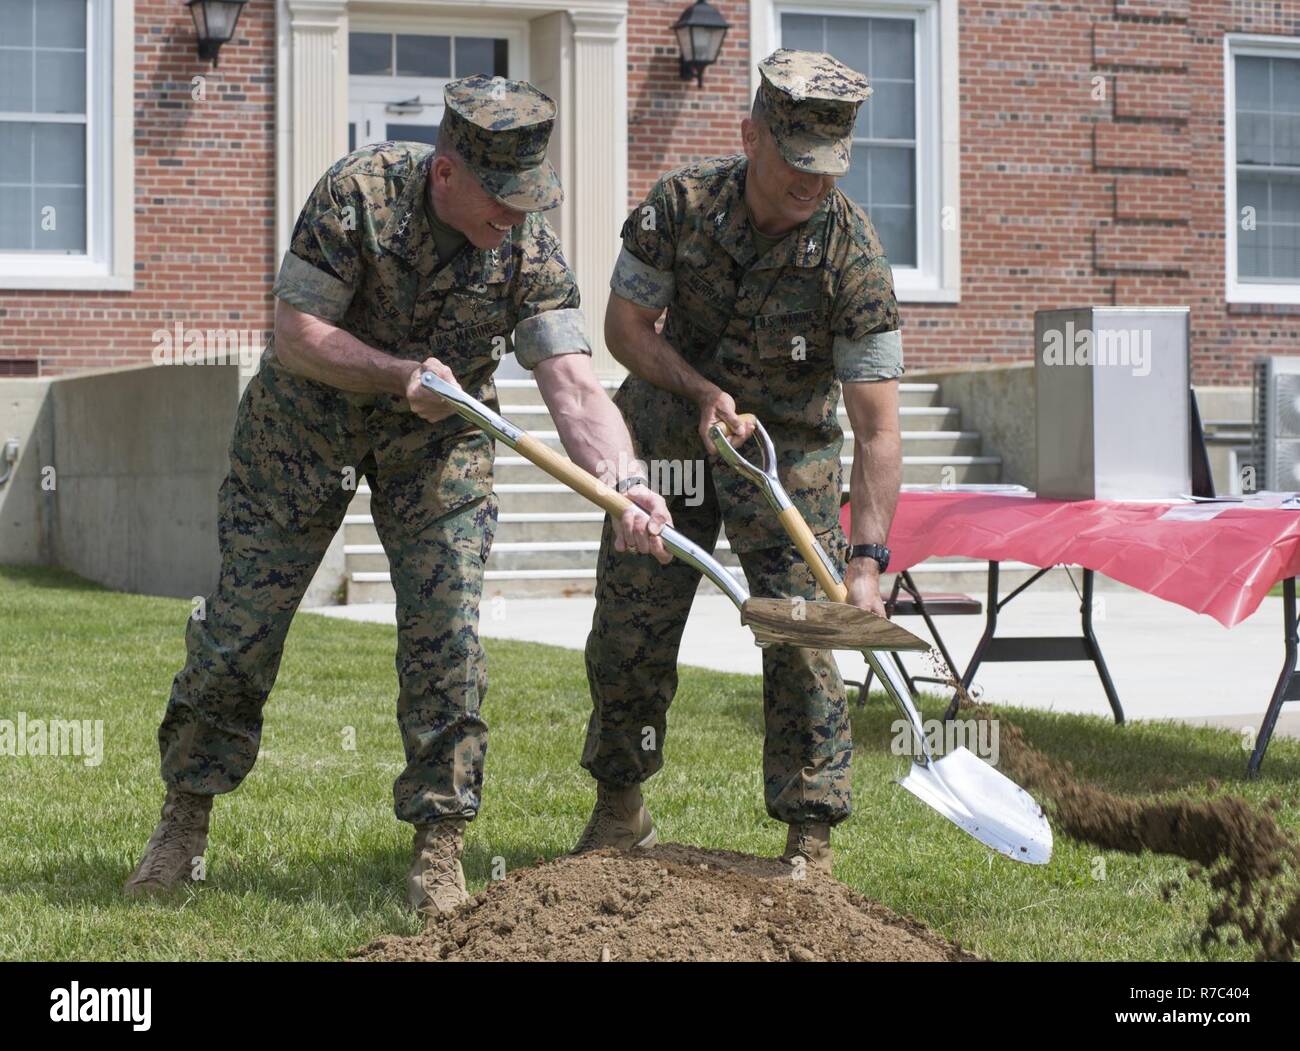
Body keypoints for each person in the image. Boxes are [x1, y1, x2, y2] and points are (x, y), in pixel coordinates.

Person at [124, 74, 672, 917]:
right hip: (303, 430)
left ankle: (441, 842)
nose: (517, 216)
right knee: (238, 632)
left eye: (530, 198)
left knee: (447, 633)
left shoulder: (526, 248)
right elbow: (297, 335)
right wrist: (396, 374)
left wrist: (627, 482)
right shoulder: (358, 194)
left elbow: (573, 384)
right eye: (502, 196)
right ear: (445, 173)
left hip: (437, 446)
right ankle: (184, 820)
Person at [575, 49, 904, 874]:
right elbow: (624, 328)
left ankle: (810, 838)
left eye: (829, 167)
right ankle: (620, 809)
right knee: (630, 625)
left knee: (801, 635)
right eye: (797, 162)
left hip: (785, 453)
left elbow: (877, 431)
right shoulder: (680, 206)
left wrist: (866, 562)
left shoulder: (854, 257)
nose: (813, 184)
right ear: (751, 135)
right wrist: (699, 390)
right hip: (667, 433)